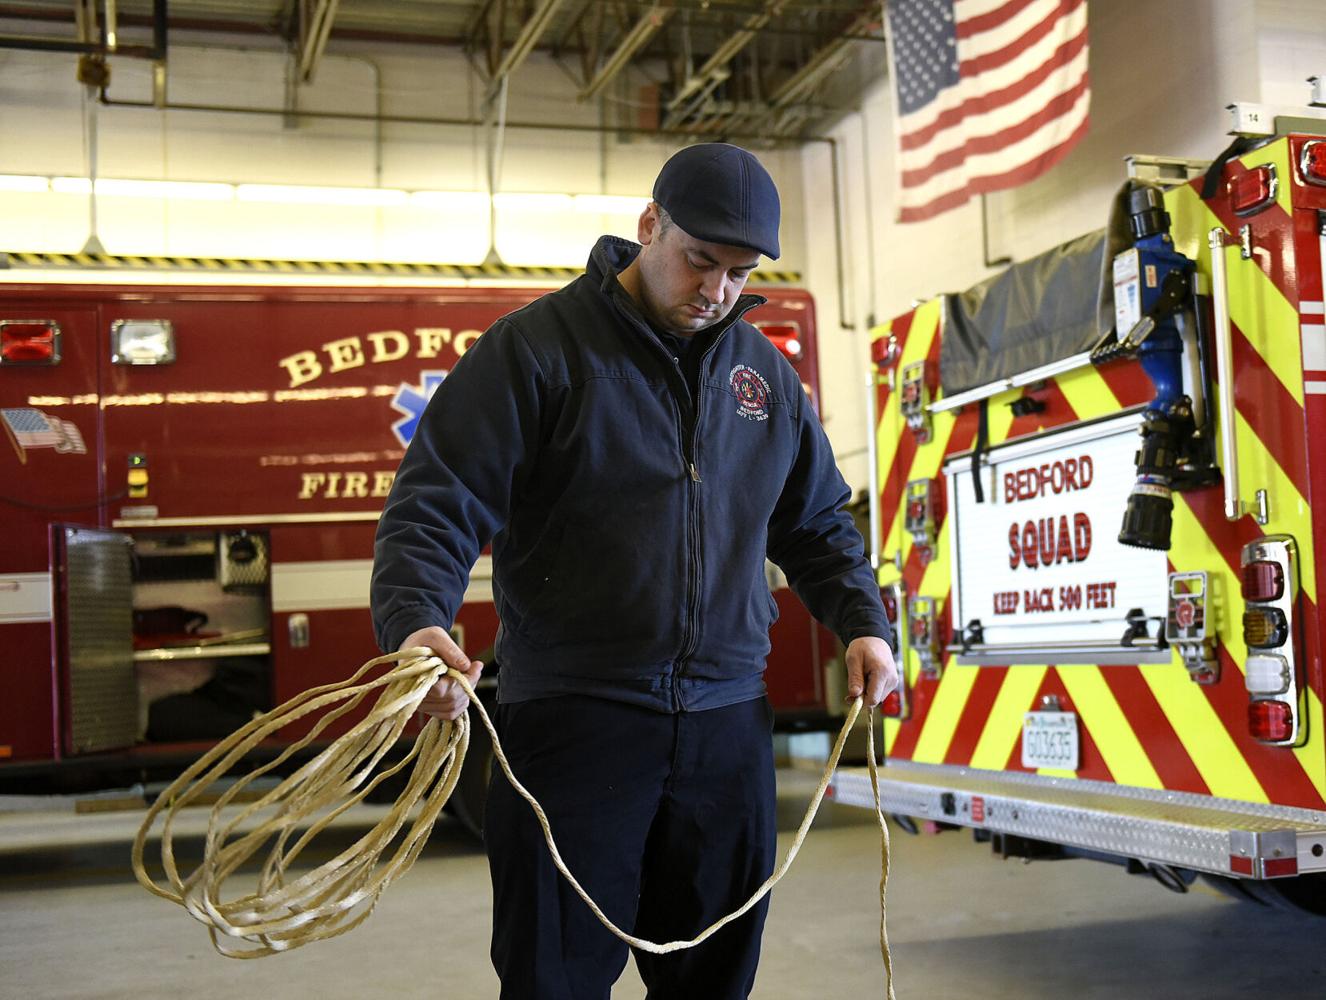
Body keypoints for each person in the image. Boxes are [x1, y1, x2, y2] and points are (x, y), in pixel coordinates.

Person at [371, 142, 898, 1000]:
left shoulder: (762, 376)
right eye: (699, 261)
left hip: (725, 729)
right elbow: (436, 502)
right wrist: (417, 623)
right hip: (575, 726)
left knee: (712, 982)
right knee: (555, 978)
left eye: (738, 272)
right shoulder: (537, 352)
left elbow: (815, 522)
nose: (717, 292)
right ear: (649, 225)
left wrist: (863, 622)